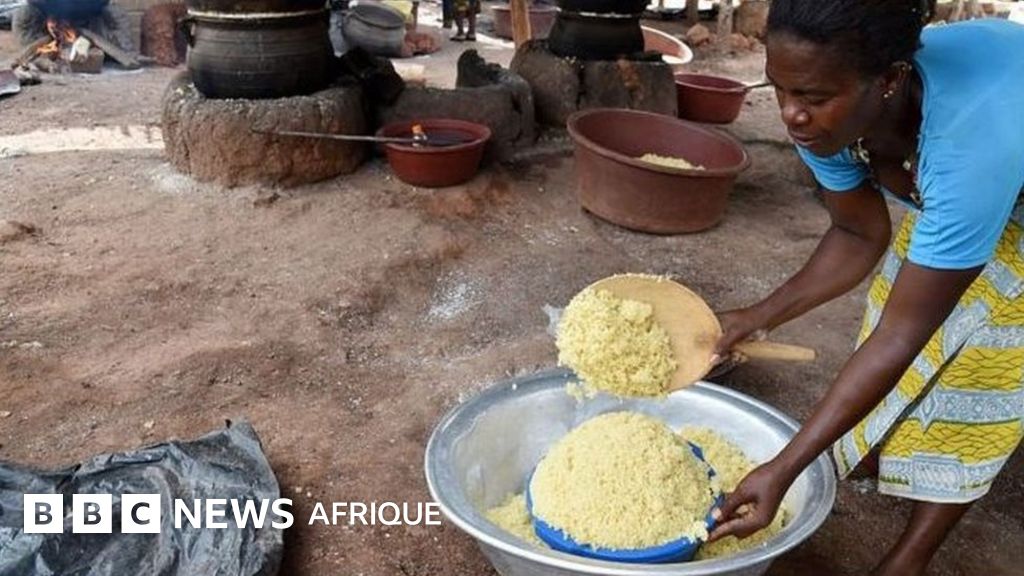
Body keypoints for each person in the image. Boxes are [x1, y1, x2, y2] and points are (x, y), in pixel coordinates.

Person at [706, 2, 1024, 575]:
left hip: (998, 149)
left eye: (812, 98)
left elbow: (902, 336)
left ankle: (911, 556)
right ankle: (889, 447)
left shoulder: (967, 149)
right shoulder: (828, 108)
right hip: (972, 170)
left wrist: (785, 467)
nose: (790, 115)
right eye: (778, 88)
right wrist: (755, 317)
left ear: (890, 81)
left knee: (987, 365)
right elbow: (858, 233)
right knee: (901, 303)